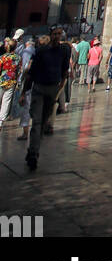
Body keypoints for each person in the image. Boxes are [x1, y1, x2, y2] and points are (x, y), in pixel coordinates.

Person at [24, 27, 70, 170]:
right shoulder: (42, 51)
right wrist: (23, 92)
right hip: (39, 88)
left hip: (52, 89)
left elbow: (65, 69)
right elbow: (32, 72)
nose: (57, 36)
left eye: (59, 34)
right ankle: (33, 153)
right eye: (55, 34)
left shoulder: (64, 51)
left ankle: (33, 149)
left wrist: (61, 84)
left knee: (43, 122)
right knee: (37, 122)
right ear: (50, 36)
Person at [15, 34, 37, 141]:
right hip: (39, 83)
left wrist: (21, 80)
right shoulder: (37, 51)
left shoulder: (26, 52)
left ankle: (25, 132)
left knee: (26, 107)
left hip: (29, 82)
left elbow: (26, 68)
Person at [0, 37, 21, 129]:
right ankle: (1, 121)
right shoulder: (18, 58)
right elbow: (19, 71)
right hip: (11, 81)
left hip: (1, 81)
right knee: (6, 102)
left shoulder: (3, 57)